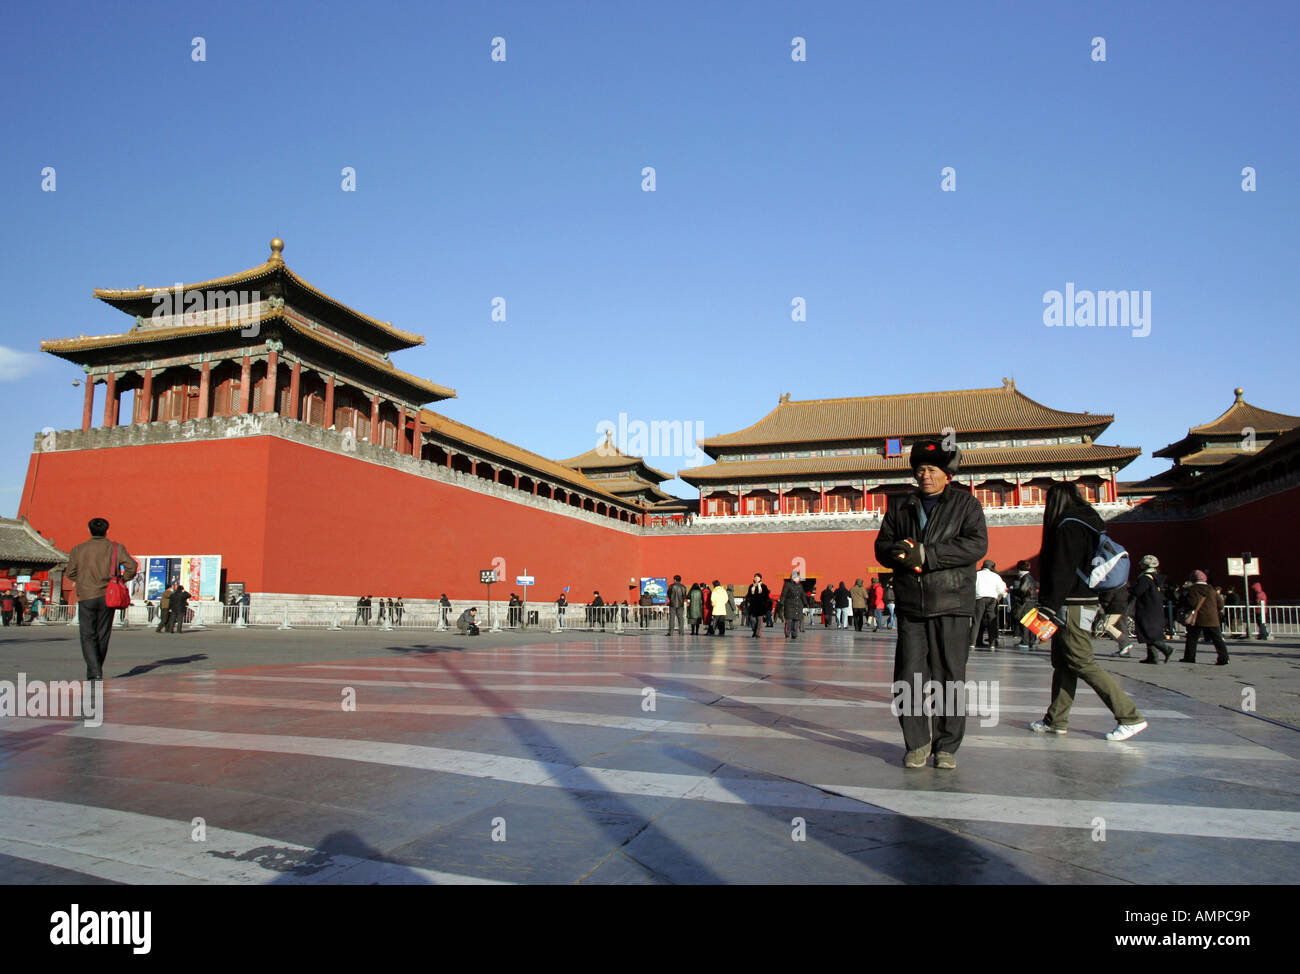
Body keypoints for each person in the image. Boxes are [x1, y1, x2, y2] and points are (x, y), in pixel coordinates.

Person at [876, 437, 988, 770]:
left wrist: (928, 555)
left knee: (949, 677)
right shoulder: (901, 507)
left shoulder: (966, 506)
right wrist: (900, 553)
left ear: (948, 474)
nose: (925, 475)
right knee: (908, 677)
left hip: (952, 602)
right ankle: (916, 742)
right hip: (912, 604)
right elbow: (882, 547)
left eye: (933, 469)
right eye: (921, 469)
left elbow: (975, 546)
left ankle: (946, 746)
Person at [1029, 482, 1148, 741]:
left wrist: (1047, 606)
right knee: (1064, 663)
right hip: (1084, 600)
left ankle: (1129, 716)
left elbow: (1062, 569)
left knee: (1081, 661)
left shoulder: (1067, 525)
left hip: (1071, 603)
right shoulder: (1091, 522)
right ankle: (1056, 719)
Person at [64, 517, 138, 681]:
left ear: (89, 530)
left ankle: (94, 671)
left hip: (86, 596)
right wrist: (122, 579)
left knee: (87, 634)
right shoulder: (116, 548)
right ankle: (96, 669)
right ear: (107, 530)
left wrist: (83, 580)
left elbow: (70, 573)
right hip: (108, 596)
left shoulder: (78, 549)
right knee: (103, 634)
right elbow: (132, 566)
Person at [1128, 556, 1174, 664]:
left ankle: (1166, 649)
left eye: (1142, 564)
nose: (1140, 565)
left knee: (1147, 632)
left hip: (1146, 608)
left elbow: (1138, 591)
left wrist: (1131, 589)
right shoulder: (1155, 577)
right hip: (1155, 608)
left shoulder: (1145, 578)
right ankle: (1152, 657)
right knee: (1149, 631)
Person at [1180, 570, 1229, 665]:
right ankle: (1224, 658)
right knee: (1218, 639)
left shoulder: (1192, 589)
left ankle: (1189, 657)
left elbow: (1191, 603)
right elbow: (1221, 604)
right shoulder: (1212, 589)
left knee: (1192, 639)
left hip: (1197, 618)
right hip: (1212, 618)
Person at [971, 560, 1006, 650]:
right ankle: (992, 644)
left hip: (979, 598)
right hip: (992, 599)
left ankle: (972, 643)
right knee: (992, 622)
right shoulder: (996, 576)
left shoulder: (977, 574)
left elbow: (971, 586)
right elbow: (1002, 589)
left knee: (976, 621)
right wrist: (999, 597)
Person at [1099, 583, 1136, 657]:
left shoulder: (1115, 581)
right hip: (1124, 606)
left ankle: (1126, 643)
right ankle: (1125, 651)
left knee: (1107, 626)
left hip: (1115, 607)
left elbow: (1109, 594)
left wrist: (1104, 601)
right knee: (1121, 627)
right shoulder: (1124, 581)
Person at [1009, 560, 1038, 648]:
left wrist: (1014, 591)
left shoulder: (1025, 577)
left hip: (1026, 602)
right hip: (1032, 601)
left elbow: (1022, 589)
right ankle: (1031, 641)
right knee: (1031, 621)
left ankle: (1025, 641)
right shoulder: (1030, 577)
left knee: (1025, 621)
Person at [778, 572, 807, 640]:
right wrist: (782, 602)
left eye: (798, 577)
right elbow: (783, 594)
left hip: (798, 605)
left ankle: (794, 634)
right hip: (789, 605)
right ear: (793, 578)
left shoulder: (800, 585)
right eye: (796, 577)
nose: (798, 579)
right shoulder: (787, 584)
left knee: (796, 620)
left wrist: (805, 603)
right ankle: (787, 633)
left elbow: (802, 595)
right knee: (789, 620)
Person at [744, 573, 771, 638]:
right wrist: (747, 600)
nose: (756, 579)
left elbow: (766, 596)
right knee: (752, 619)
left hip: (761, 606)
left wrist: (765, 603)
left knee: (759, 620)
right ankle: (755, 631)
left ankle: (758, 633)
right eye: (755, 577)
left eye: (757, 577)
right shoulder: (751, 586)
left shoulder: (764, 586)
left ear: (760, 579)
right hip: (753, 606)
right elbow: (748, 595)